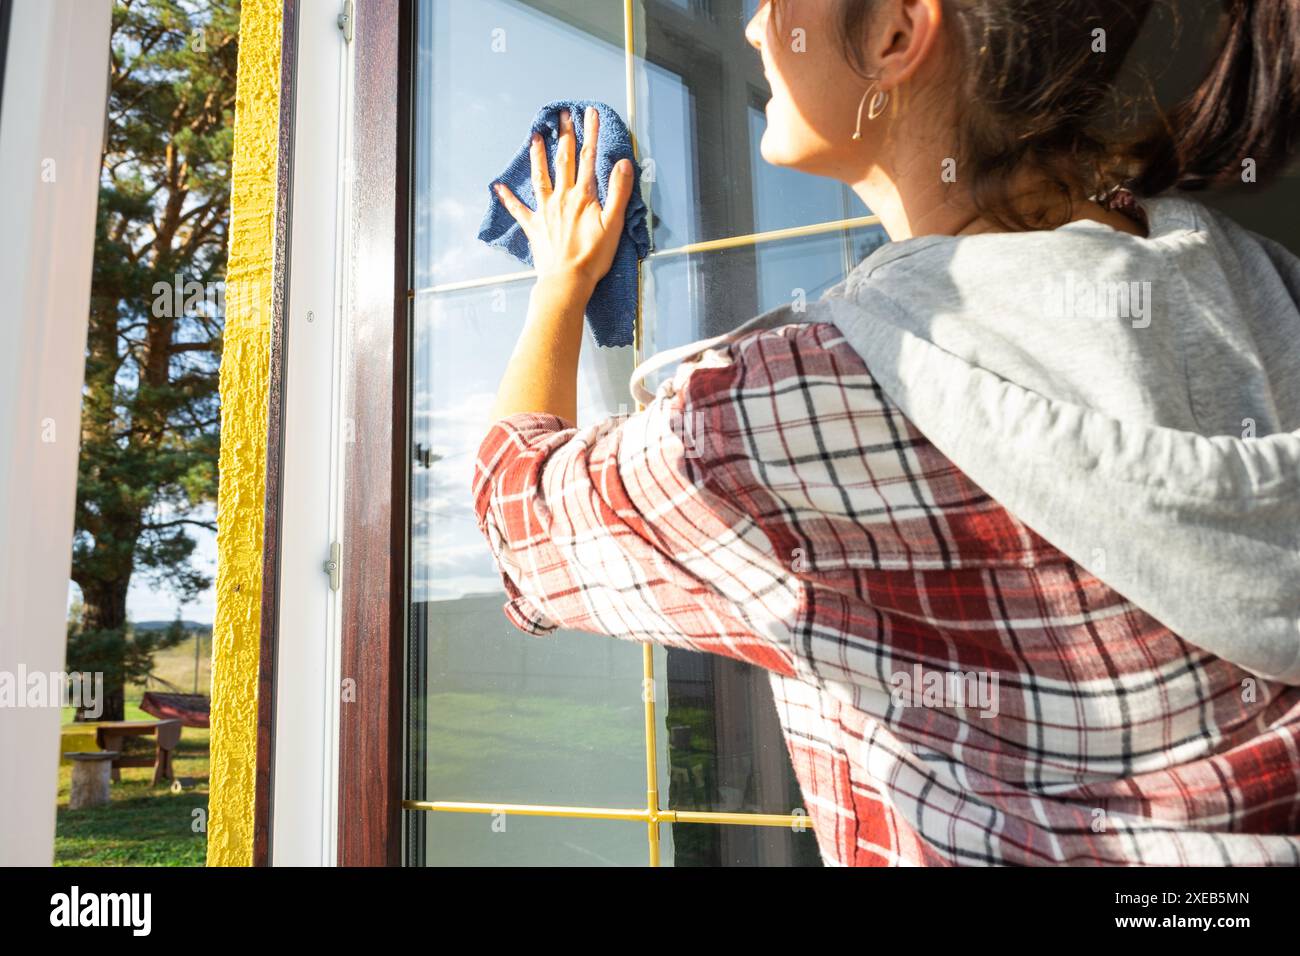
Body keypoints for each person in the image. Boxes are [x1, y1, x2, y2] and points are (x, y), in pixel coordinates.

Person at [478, 0, 1300, 866]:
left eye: (777, 6)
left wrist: (560, 287)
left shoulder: (803, 411)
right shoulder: (1242, 274)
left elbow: (518, 514)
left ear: (897, 33)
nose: (755, 29)